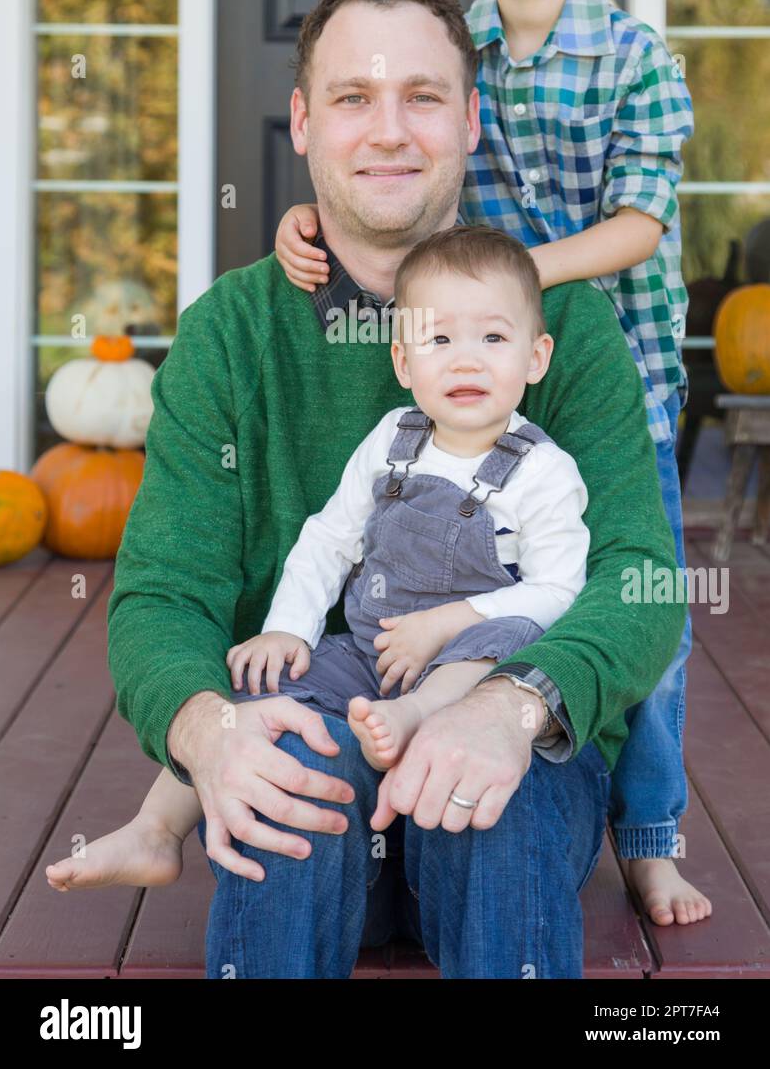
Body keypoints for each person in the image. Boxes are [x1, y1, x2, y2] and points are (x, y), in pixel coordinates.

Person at [52, 0, 687, 978]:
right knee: (285, 758)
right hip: (316, 744)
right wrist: (210, 730)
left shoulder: (560, 322)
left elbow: (638, 578)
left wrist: (511, 705)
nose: (389, 131)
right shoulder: (231, 334)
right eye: (354, 97)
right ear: (303, 121)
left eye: (423, 97)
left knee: (502, 796)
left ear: (471, 120)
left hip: (508, 758)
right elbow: (164, 595)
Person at [274, 0, 710, 928]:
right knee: (487, 567)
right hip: (478, 368)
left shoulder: (634, 58)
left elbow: (641, 226)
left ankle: (650, 837)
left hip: (622, 375)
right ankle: (438, 711)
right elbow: (404, 171)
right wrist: (306, 223)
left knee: (645, 607)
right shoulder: (457, 51)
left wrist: (521, 271)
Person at [46, 226, 590, 889]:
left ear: (536, 358)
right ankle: (155, 829)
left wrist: (449, 622)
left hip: (468, 667)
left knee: (494, 647)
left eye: (493, 339)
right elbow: (328, 538)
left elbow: (561, 590)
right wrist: (288, 629)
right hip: (371, 649)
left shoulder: (541, 471)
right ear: (403, 362)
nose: (466, 361)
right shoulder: (395, 439)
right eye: (439, 340)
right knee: (255, 699)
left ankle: (411, 716)